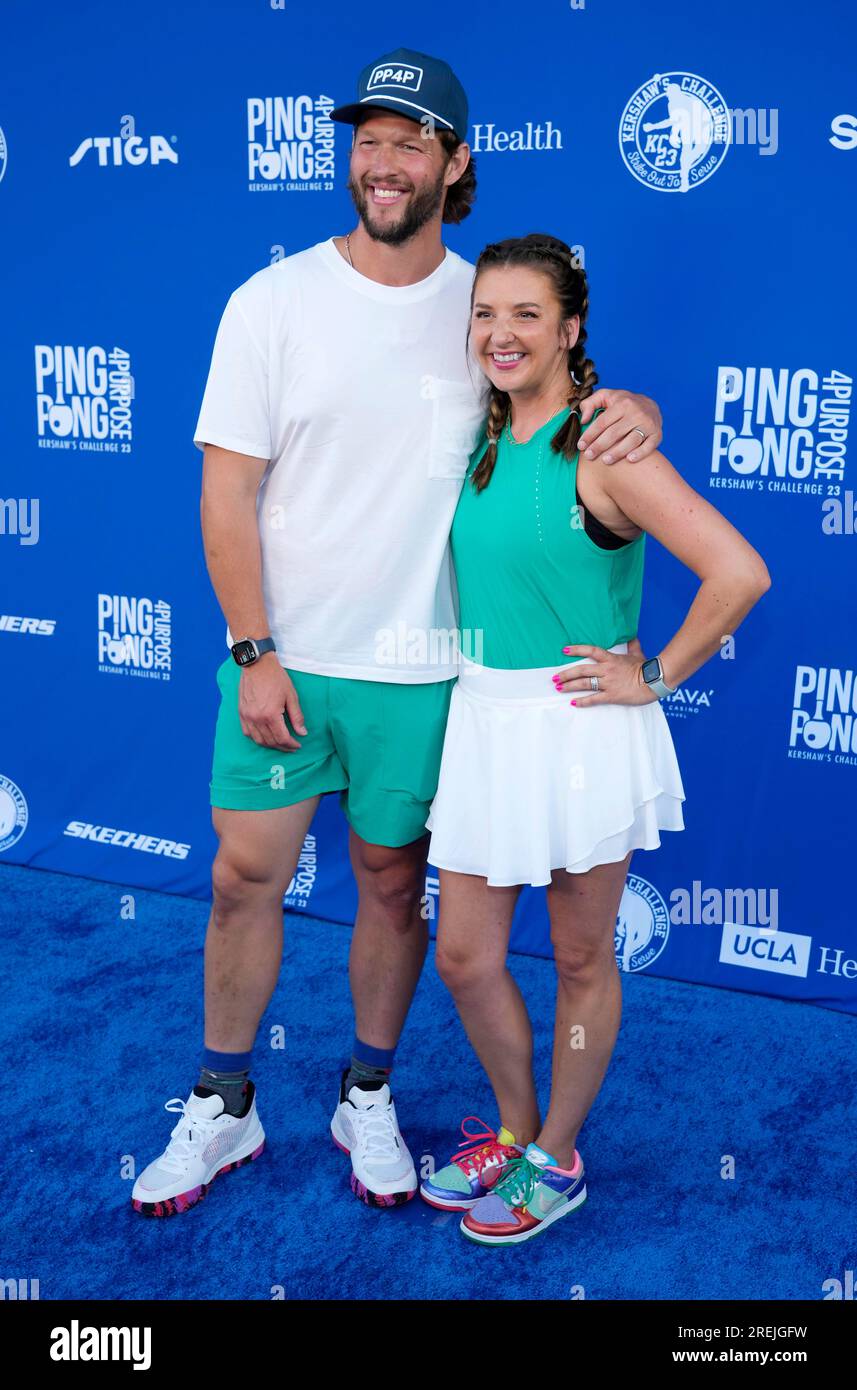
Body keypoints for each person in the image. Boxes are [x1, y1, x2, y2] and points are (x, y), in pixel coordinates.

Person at [131, 51, 664, 1218]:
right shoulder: (269, 301)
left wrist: (635, 410)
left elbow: (562, 416)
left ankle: (363, 1093)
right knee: (242, 878)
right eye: (367, 138)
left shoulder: (485, 310)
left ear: (454, 163)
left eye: (410, 140)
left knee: (388, 885)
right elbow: (226, 494)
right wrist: (250, 647)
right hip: (283, 660)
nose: (382, 160)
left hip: (428, 678)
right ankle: (224, 1102)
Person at [420, 233, 771, 1246]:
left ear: (569, 330)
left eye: (526, 314)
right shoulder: (481, 437)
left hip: (575, 725)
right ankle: (519, 1131)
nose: (499, 332)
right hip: (483, 721)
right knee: (466, 955)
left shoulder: (603, 447)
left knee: (579, 959)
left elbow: (737, 571)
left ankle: (557, 1158)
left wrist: (652, 672)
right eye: (484, 312)